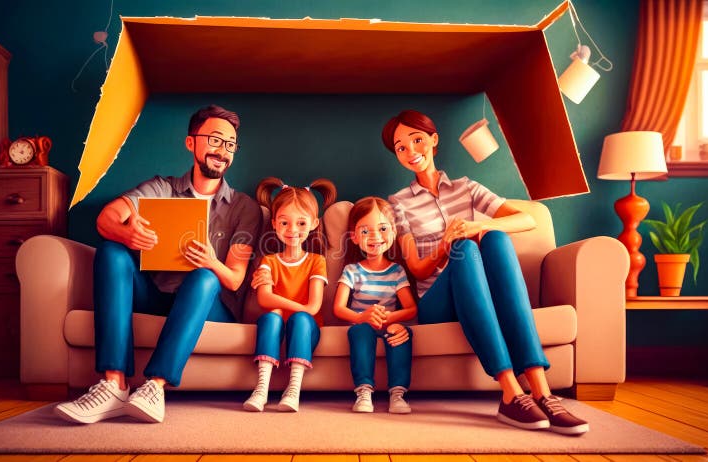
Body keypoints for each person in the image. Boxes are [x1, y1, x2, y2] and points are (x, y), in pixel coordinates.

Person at [382, 109, 589, 435]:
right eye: (400, 148)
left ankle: (542, 391)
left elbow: (526, 219)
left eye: (417, 140)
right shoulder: (397, 203)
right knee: (464, 248)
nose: (411, 152)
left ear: (434, 141)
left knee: (493, 237)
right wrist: (446, 244)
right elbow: (419, 271)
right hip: (436, 302)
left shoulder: (467, 188)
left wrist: (479, 225)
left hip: (477, 287)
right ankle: (510, 392)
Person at [55, 104, 262, 424]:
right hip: (157, 292)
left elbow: (235, 280)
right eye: (215, 140)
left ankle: (155, 386)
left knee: (205, 278)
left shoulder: (243, 207)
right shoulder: (161, 188)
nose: (223, 151)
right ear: (191, 142)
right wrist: (128, 234)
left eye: (230, 145)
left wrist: (211, 261)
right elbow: (106, 218)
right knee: (111, 251)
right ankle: (113, 385)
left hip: (207, 303)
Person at [243, 177, 336, 412]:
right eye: (285, 223)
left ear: (314, 223)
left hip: (306, 327)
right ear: (274, 223)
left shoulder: (317, 261)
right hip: (276, 326)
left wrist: (285, 306)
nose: (292, 230)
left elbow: (313, 308)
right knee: (270, 317)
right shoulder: (269, 261)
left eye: (301, 223)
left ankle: (294, 388)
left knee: (300, 319)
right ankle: (261, 388)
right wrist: (291, 308)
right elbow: (264, 299)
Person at [333, 196, 417, 414]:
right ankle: (364, 391)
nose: (375, 237)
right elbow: (339, 308)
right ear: (354, 237)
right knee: (360, 332)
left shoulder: (397, 271)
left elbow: (411, 308)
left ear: (393, 232)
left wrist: (390, 319)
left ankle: (398, 394)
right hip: (363, 324)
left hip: (388, 323)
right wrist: (363, 317)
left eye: (382, 229)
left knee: (401, 333)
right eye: (365, 231)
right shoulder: (352, 270)